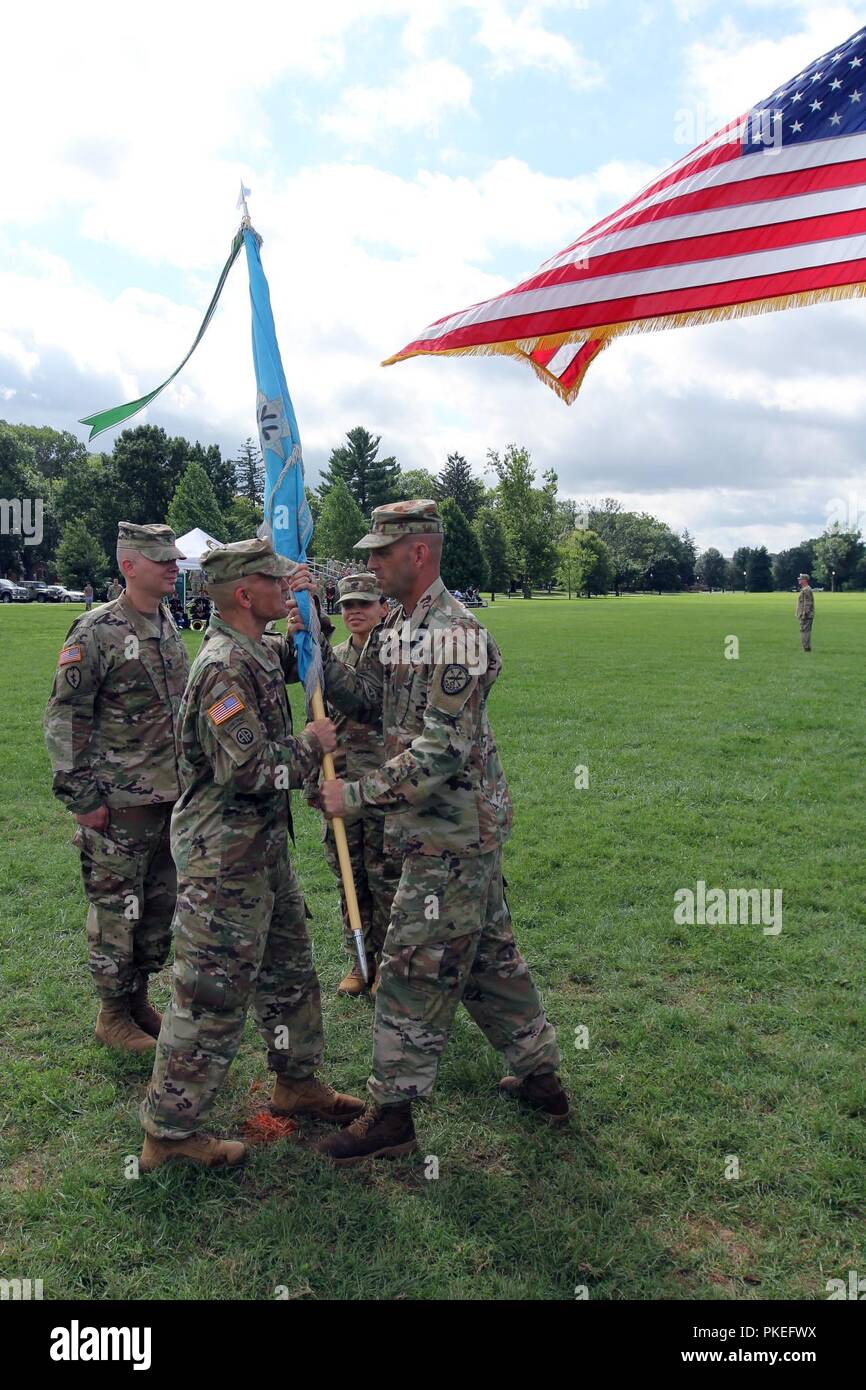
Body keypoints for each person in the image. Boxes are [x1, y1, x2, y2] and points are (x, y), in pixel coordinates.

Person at [307, 500, 567, 1166]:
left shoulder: (454, 635)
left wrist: (356, 795)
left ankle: (392, 1116)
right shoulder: (403, 627)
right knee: (488, 958)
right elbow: (371, 702)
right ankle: (540, 1078)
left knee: (408, 967)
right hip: (436, 830)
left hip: (451, 836)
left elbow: (439, 753)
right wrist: (311, 633)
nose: (369, 564)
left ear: (417, 553)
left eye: (379, 554)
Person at [138, 537, 364, 1172]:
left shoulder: (254, 652)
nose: (284, 586)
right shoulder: (221, 668)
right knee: (210, 992)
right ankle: (169, 1131)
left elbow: (301, 659)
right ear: (244, 593)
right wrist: (308, 742)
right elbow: (249, 770)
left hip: (262, 851)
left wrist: (308, 611)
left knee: (289, 970)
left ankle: (297, 1081)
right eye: (275, 579)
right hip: (223, 861)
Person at [43, 523, 190, 1053]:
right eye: (161, 560)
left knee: (155, 906)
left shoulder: (167, 621)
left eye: (174, 559)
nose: (173, 567)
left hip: (167, 799)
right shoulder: (96, 630)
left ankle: (137, 1001)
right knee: (115, 908)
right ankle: (111, 1014)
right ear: (129, 566)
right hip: (118, 803)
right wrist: (82, 799)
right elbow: (65, 717)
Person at [308, 572, 400, 997]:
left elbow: (364, 704)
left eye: (364, 603)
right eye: (346, 605)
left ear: (383, 607)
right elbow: (319, 721)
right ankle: (359, 960)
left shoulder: (395, 655)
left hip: (382, 785)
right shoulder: (334, 653)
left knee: (386, 877)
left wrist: (318, 647)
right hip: (340, 782)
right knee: (348, 875)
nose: (355, 612)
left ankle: (389, 963)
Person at [797, 573, 814, 651]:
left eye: (800, 579)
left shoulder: (806, 589)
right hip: (804, 614)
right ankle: (805, 646)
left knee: (805, 631)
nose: (799, 580)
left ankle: (806, 647)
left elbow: (807, 603)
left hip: (806, 615)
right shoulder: (805, 589)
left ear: (804, 580)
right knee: (804, 630)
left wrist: (804, 614)